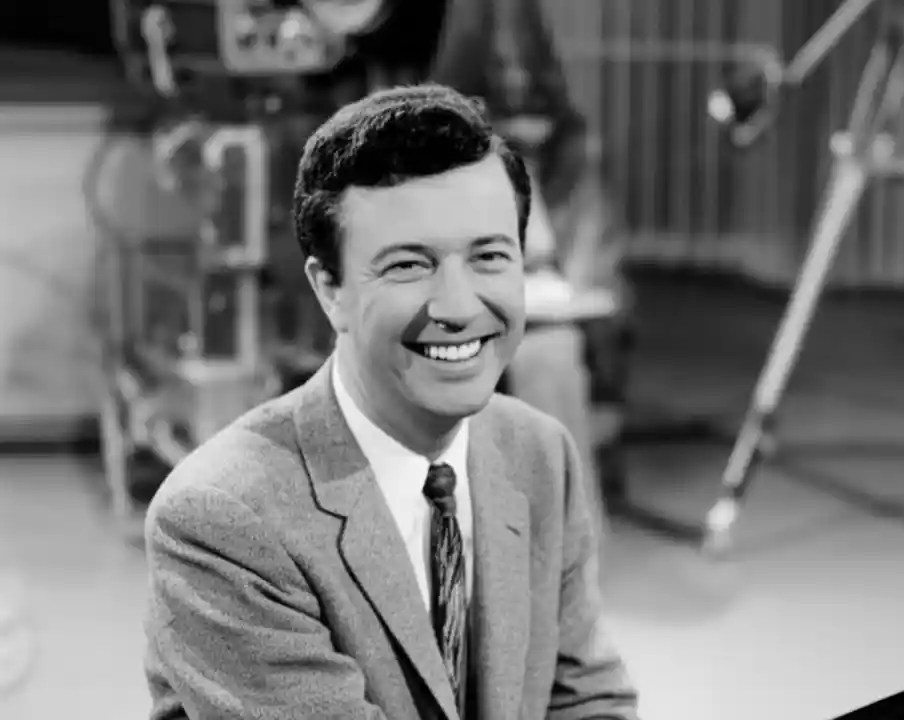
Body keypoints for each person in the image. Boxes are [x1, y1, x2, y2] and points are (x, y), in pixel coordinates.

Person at [142, 83, 639, 720]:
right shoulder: (223, 519)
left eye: (489, 256)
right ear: (331, 291)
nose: (459, 308)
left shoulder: (540, 453)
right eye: (409, 266)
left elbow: (589, 700)